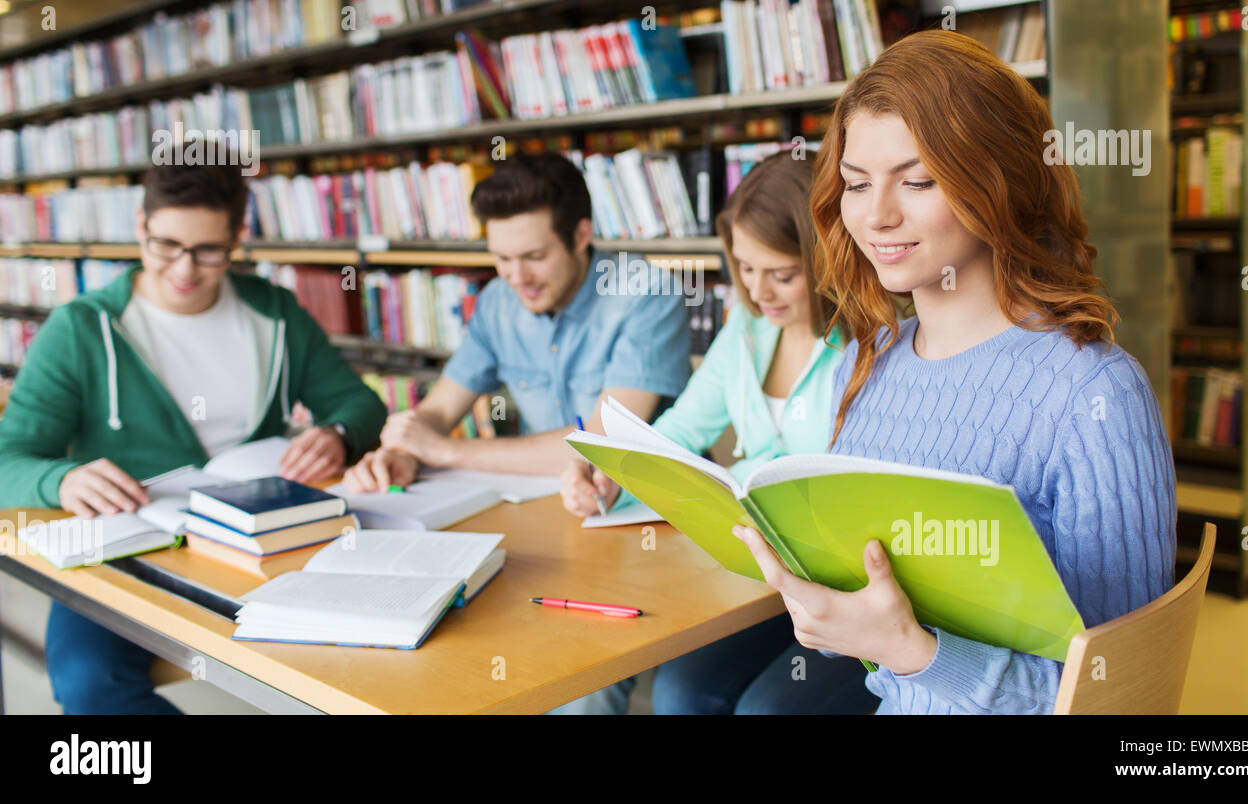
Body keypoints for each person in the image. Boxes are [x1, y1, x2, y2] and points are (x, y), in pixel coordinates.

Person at [731, 29, 1177, 714]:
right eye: (855, 184)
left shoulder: (1094, 395)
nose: (876, 215)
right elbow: (864, 624)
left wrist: (918, 651)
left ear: (1000, 179)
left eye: (918, 180)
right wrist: (824, 609)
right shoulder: (867, 360)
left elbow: (1122, 700)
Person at [0, 158, 388, 714]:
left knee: (372, 658)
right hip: (126, 553)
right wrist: (60, 481)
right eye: (165, 245)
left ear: (237, 238)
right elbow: (7, 458)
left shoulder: (273, 312)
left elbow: (360, 405)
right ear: (140, 226)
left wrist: (340, 434)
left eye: (208, 251)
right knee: (89, 684)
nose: (184, 269)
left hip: (267, 546)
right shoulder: (81, 329)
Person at [341, 152, 692, 715]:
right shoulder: (499, 303)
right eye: (502, 258)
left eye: (533, 256)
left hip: (634, 535)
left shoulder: (646, 295)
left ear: (582, 235)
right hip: (536, 527)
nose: (517, 276)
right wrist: (402, 452)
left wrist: (446, 450)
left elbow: (604, 442)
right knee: (435, 662)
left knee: (576, 694)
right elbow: (439, 409)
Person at [561, 152, 878, 714]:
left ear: (825, 255)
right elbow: (682, 428)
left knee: (765, 711)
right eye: (746, 270)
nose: (760, 293)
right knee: (678, 693)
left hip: (846, 594)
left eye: (781, 274)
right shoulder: (746, 330)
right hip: (760, 582)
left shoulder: (872, 343)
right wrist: (613, 474)